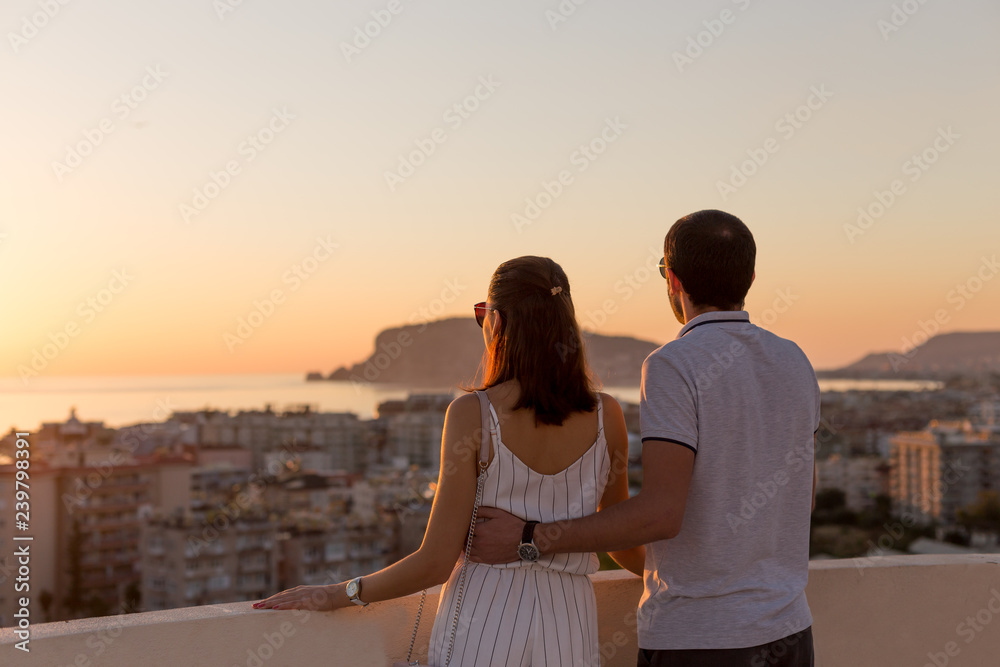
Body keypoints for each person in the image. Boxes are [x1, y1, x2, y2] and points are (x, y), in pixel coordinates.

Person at [253, 255, 644, 666]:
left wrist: (339, 593)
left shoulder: (473, 414)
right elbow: (619, 539)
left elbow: (435, 562)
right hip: (570, 625)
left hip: (483, 622)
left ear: (498, 322)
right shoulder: (608, 415)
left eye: (483, 315)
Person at [471, 211, 821, 667]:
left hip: (699, 641)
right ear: (750, 277)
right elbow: (803, 499)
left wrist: (529, 536)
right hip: (789, 632)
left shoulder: (674, 364)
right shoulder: (795, 361)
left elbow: (660, 514)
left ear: (672, 279)